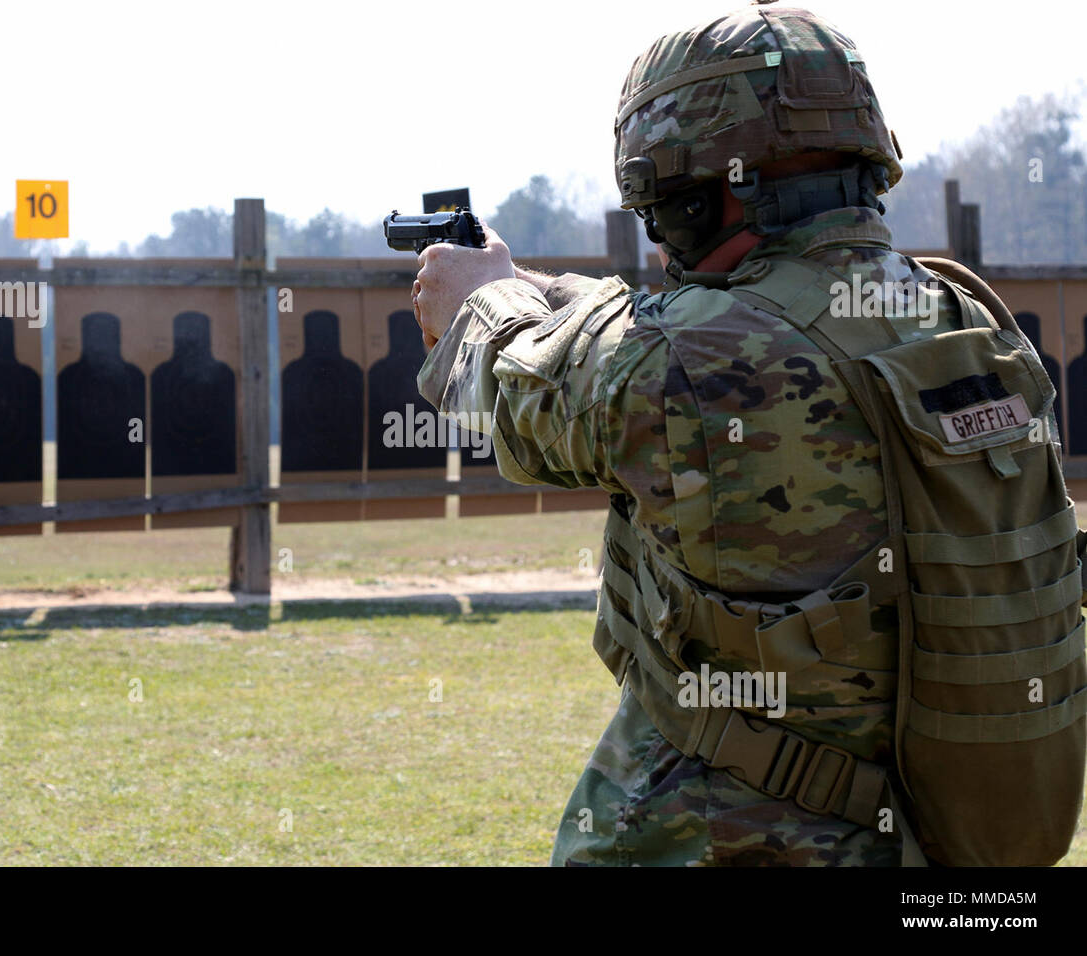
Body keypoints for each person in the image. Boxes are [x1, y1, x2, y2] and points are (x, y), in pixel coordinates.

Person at [411, 2, 963, 866]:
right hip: (937, 830)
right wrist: (533, 284)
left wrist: (477, 302)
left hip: (730, 835)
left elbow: (521, 395)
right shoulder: (963, 321)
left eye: (663, 209)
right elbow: (674, 326)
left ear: (703, 196)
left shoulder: (687, 363)